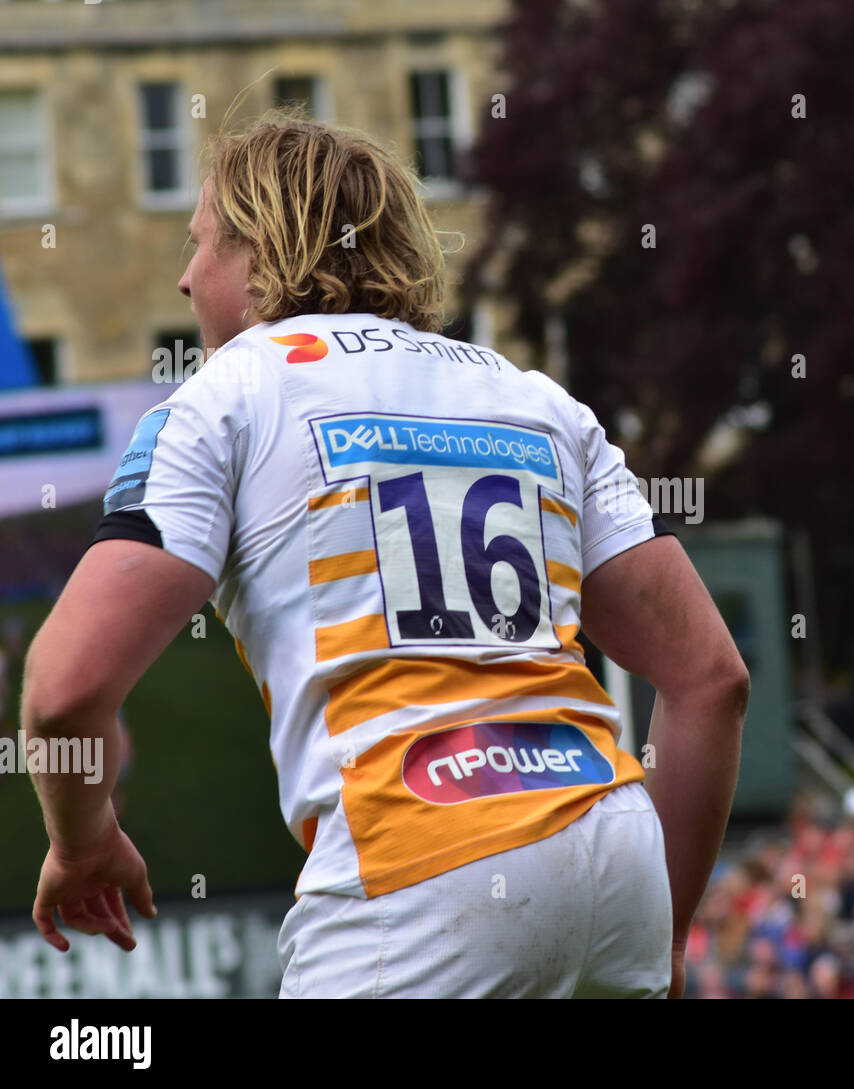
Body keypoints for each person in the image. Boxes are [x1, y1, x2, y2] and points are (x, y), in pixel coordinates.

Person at [21, 112, 748, 998]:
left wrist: (83, 840)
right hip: (617, 861)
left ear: (263, 251)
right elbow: (712, 678)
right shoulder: (534, 397)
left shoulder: (225, 396)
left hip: (417, 867)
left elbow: (62, 693)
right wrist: (661, 932)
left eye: (200, 244)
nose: (183, 278)